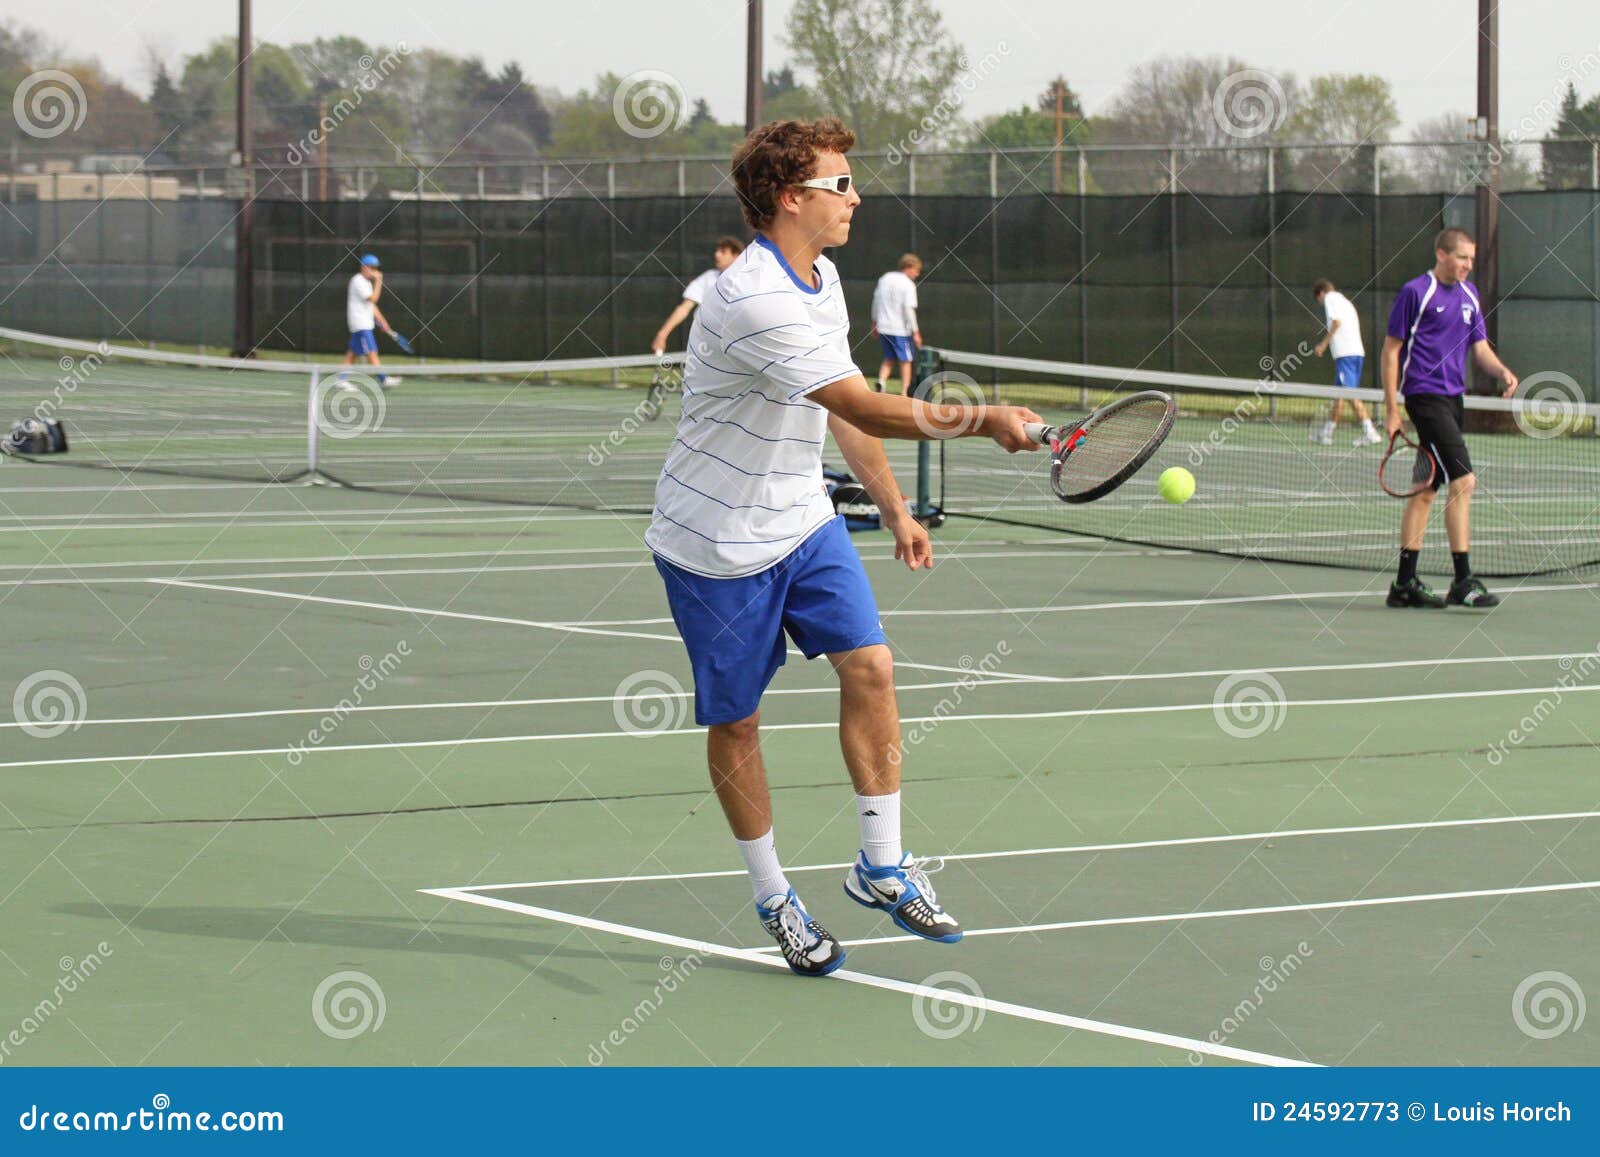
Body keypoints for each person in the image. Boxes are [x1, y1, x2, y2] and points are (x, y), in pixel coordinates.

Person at [644, 118, 1041, 976]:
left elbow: (836, 409)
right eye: (841, 183)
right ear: (793, 198)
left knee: (872, 667)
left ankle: (882, 865)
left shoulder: (822, 277)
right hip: (715, 540)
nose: (855, 197)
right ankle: (774, 896)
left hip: (804, 516)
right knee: (738, 719)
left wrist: (896, 508)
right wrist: (987, 420)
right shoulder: (748, 297)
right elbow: (864, 404)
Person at [1381, 227, 1518, 610]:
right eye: (1461, 257)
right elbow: (1391, 352)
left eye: (1471, 259)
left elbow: (1479, 349)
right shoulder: (1415, 292)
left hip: (1453, 400)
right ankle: (1462, 580)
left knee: (1425, 489)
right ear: (1441, 254)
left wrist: (1502, 371)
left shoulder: (1470, 295)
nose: (1467, 266)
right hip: (1424, 397)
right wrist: (1392, 409)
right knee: (1464, 480)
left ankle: (1404, 584)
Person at [1311, 278, 1379, 445]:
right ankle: (1326, 433)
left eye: (1319, 300)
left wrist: (1323, 344)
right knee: (1340, 396)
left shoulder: (1330, 299)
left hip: (1346, 354)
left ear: (1321, 294)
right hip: (1356, 353)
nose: (1321, 302)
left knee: (1350, 394)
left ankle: (1371, 432)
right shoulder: (1345, 301)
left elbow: (1336, 322)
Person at [650, 237, 745, 354]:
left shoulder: (747, 281)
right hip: (705, 346)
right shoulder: (708, 277)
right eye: (717, 250)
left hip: (735, 347)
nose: (717, 255)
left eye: (723, 251)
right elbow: (684, 309)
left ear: (736, 256)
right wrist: (662, 335)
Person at [342, 254, 401, 388]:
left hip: (364, 324)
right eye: (372, 268)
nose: (375, 271)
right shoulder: (357, 281)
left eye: (376, 268)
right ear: (364, 267)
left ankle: (341, 379)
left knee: (352, 353)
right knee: (372, 351)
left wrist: (383, 322)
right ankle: (383, 379)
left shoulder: (367, 283)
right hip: (360, 324)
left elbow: (372, 306)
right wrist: (379, 281)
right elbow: (373, 299)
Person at [870, 253, 922, 393]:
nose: (917, 274)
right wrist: (915, 332)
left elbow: (876, 301)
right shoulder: (908, 285)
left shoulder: (885, 278)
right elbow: (908, 308)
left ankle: (881, 382)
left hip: (883, 328)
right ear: (909, 267)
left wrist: (875, 322)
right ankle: (905, 392)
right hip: (900, 330)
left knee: (889, 358)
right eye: (916, 270)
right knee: (906, 361)